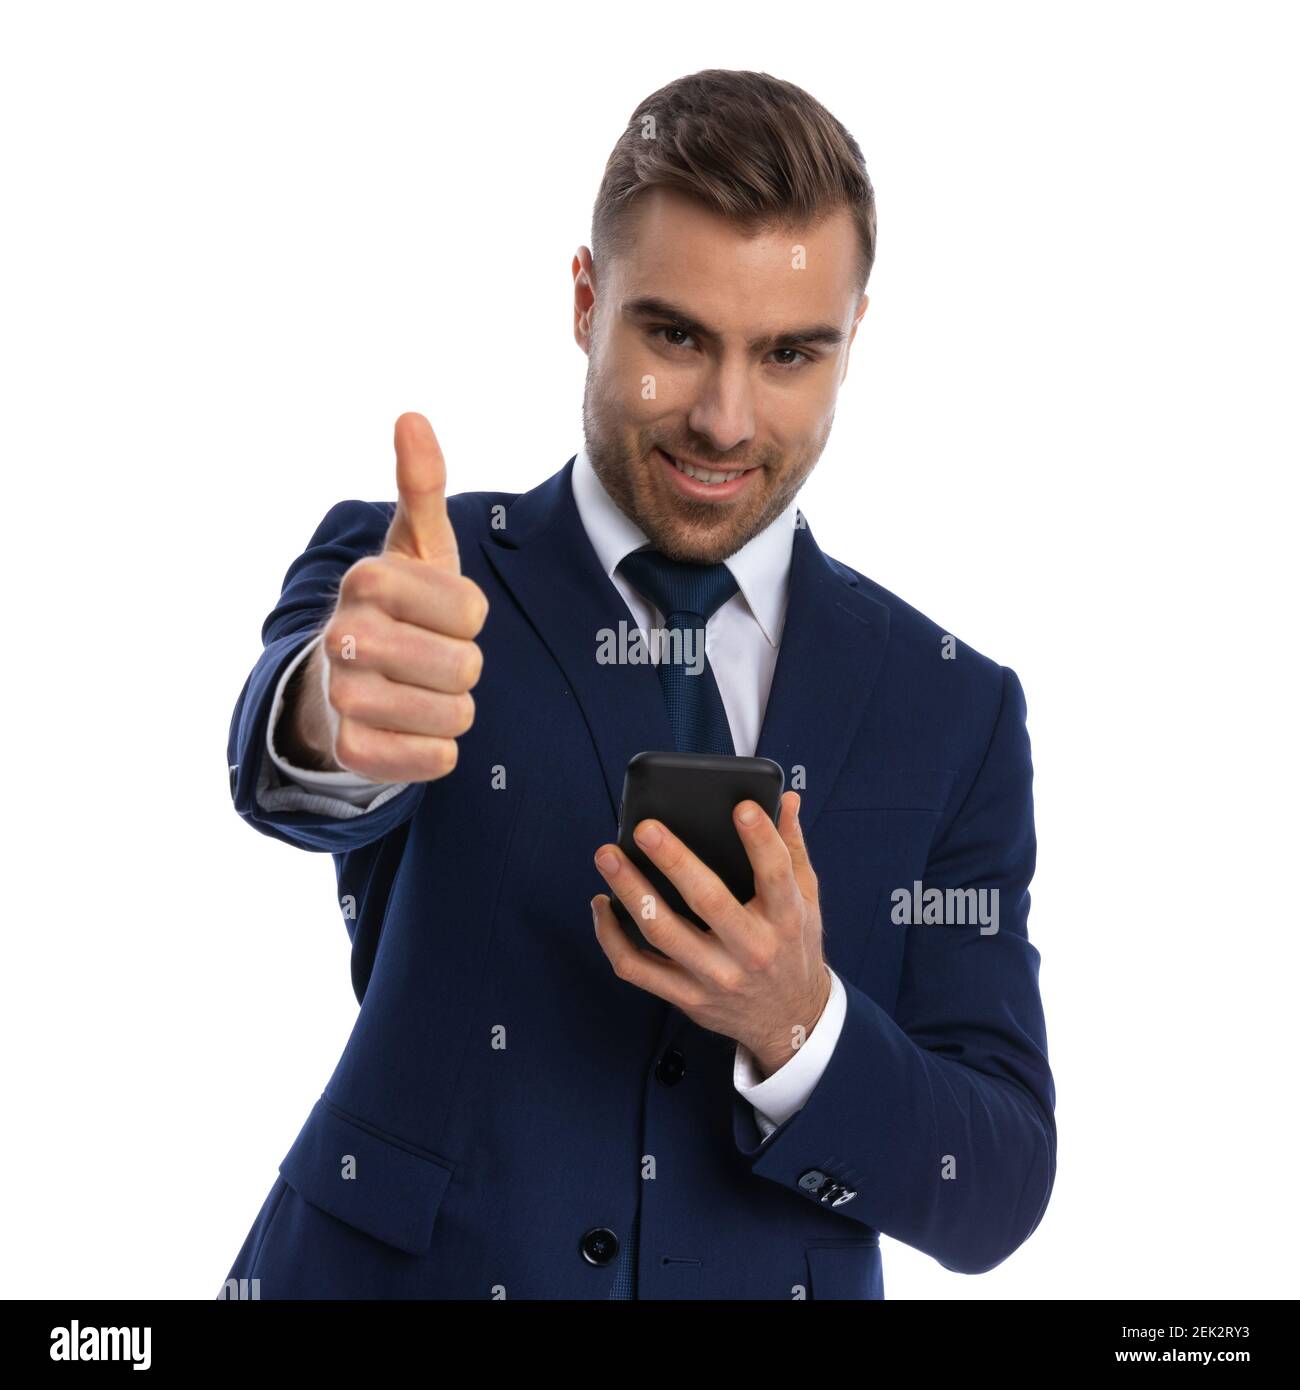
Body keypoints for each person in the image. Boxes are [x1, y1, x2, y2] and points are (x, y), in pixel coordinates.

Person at [220, 68, 1055, 1301]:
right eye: (674, 335)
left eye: (787, 353)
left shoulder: (952, 707)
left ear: (851, 340)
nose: (724, 418)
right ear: (584, 299)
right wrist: (338, 717)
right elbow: (289, 754)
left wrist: (798, 1025)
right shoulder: (407, 570)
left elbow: (994, 1184)